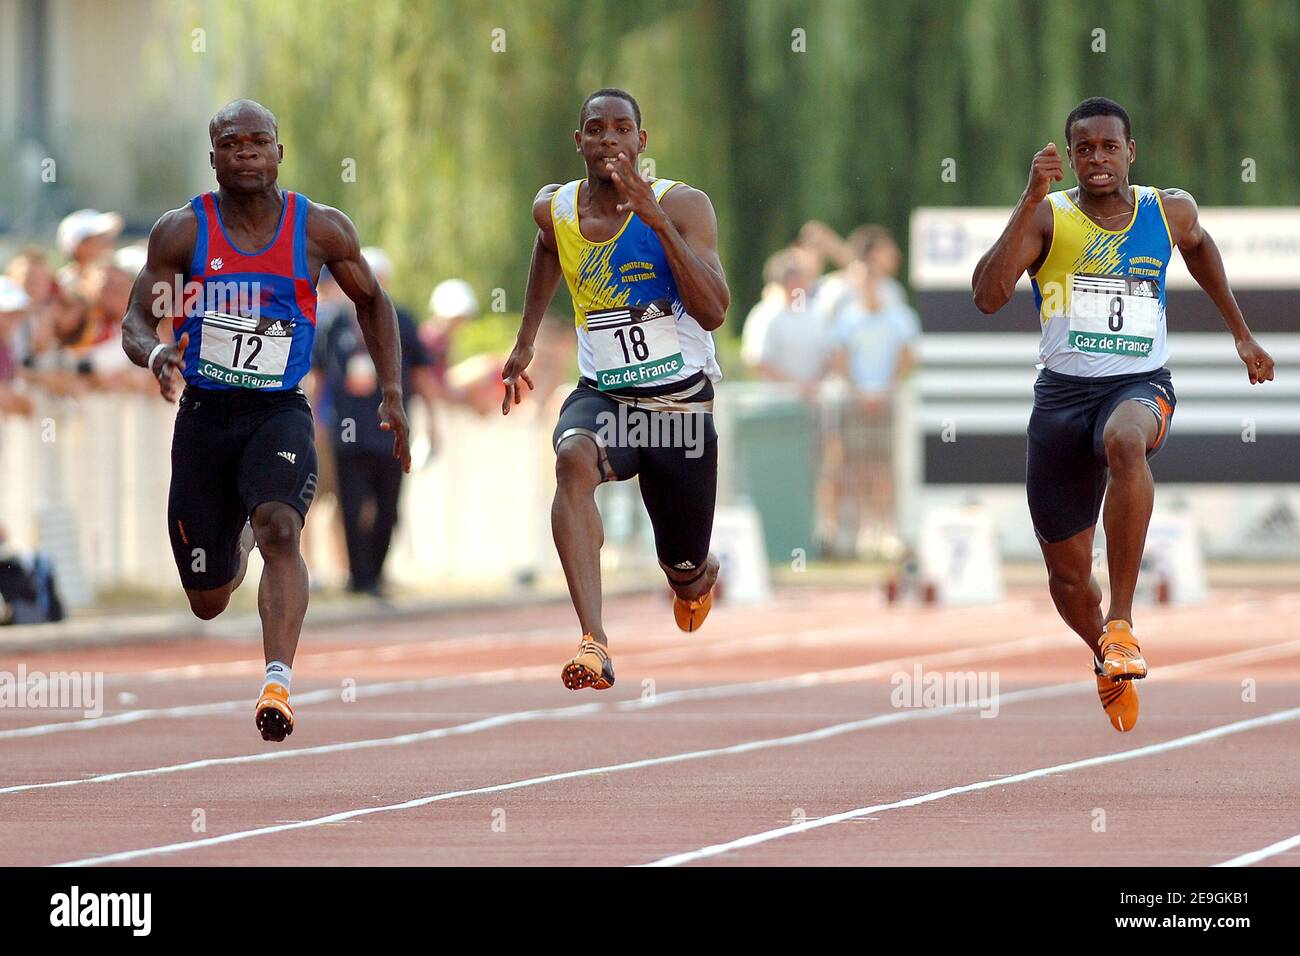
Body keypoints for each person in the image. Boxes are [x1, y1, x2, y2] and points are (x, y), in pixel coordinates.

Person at [972, 96, 1275, 733]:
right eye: (1084, 149)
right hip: (1060, 400)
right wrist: (1027, 198)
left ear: (1130, 152)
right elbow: (987, 296)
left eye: (1110, 147)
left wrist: (1241, 334)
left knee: (1126, 443)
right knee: (1065, 579)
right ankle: (1106, 656)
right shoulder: (1050, 219)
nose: (1097, 160)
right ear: (1070, 156)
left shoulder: (1168, 210)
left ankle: (1122, 619)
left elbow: (1199, 245)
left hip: (1139, 386)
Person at [120, 99, 410, 741]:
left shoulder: (319, 230)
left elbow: (374, 302)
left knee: (283, 528)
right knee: (208, 597)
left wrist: (392, 391)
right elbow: (136, 318)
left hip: (277, 410)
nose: (246, 152)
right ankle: (235, 544)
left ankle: (277, 680)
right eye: (231, 143)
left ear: (280, 152)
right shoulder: (183, 233)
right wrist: (159, 350)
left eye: (258, 142)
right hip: (204, 415)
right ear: (213, 156)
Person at [501, 88, 729, 690]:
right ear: (578, 142)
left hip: (678, 411)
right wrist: (525, 340)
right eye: (595, 129)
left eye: (622, 129)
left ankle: (696, 573)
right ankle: (593, 641)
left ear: (641, 141)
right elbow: (548, 247)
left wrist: (656, 222)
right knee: (572, 459)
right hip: (606, 398)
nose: (609, 140)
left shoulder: (683, 206)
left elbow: (714, 311)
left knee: (684, 571)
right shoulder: (555, 208)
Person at [311, 248, 436, 596]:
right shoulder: (333, 323)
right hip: (347, 432)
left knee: (388, 508)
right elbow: (318, 376)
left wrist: (431, 422)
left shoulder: (402, 321)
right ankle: (360, 579)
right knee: (350, 506)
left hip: (390, 432)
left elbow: (423, 374)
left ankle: (376, 573)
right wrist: (313, 419)